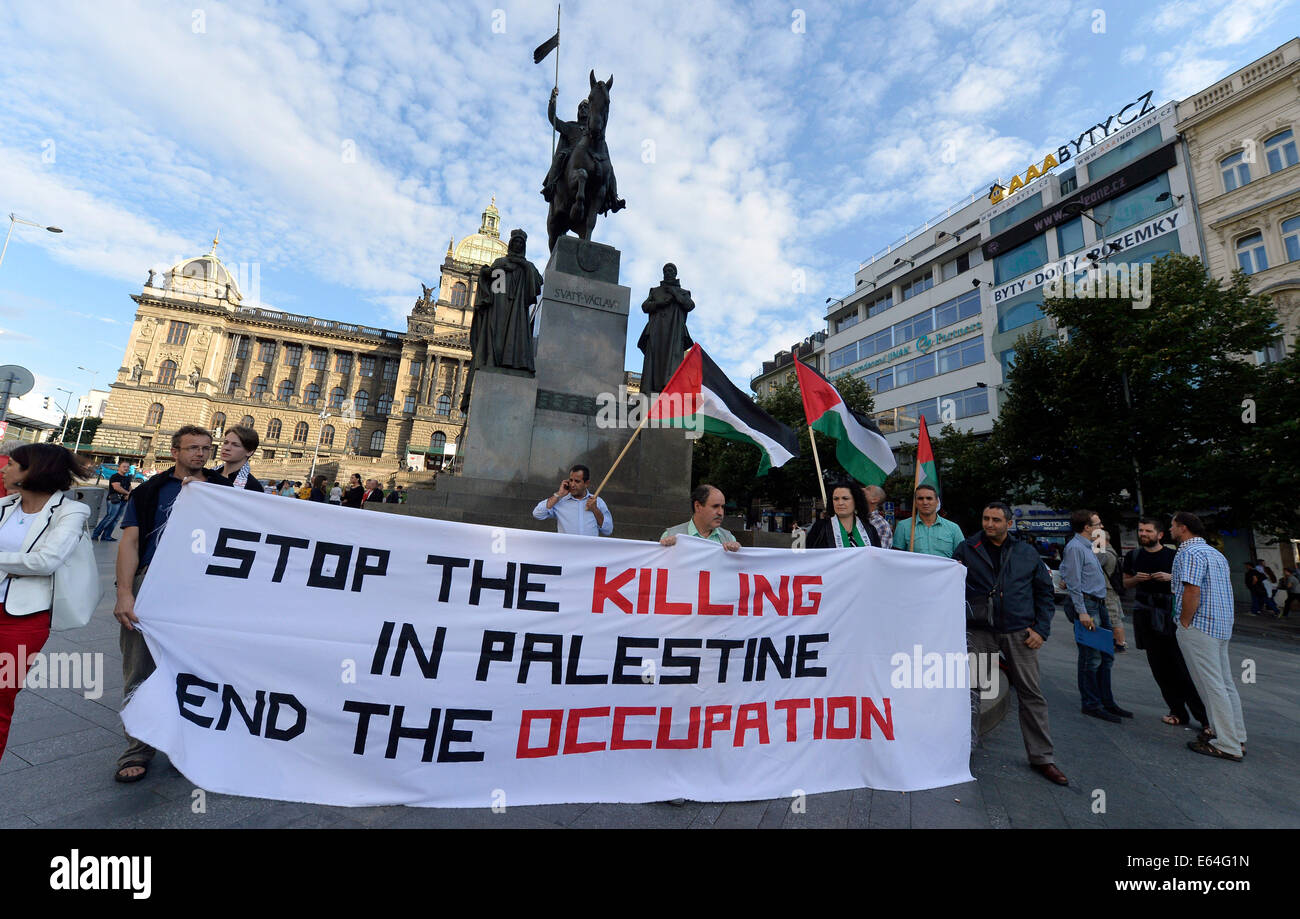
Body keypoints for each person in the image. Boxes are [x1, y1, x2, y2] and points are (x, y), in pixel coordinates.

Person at [112, 425, 229, 783]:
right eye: (192, 448)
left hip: (204, 590)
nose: (200, 454)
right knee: (140, 668)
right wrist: (124, 593)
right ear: (175, 452)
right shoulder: (149, 492)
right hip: (153, 585)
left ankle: (189, 744)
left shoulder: (225, 492)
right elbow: (129, 544)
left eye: (207, 448)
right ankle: (138, 748)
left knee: (199, 670)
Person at [953, 502, 1065, 785]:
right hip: (980, 630)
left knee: (1031, 693)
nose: (989, 524)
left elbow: (1044, 593)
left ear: (1008, 523)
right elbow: (951, 585)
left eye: (995, 520)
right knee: (971, 691)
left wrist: (1041, 629)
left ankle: (1042, 757)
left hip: (1019, 631)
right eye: (985, 518)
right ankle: (962, 750)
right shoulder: (967, 548)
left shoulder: (1026, 552)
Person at [0, 444, 93, 761]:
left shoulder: (71, 512)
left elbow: (46, 561)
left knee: (2, 697)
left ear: (32, 471)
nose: (4, 469)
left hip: (23, 620)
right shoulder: (5, 505)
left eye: (12, 464)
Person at [1170, 512, 1246, 761]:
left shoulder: (1189, 553)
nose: (1171, 530)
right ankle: (1235, 736)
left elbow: (1192, 589)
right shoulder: (1215, 553)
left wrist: (1184, 620)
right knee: (1224, 684)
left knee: (1210, 685)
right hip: (1221, 625)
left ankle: (1226, 743)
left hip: (1200, 626)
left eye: (1172, 526)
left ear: (1182, 528)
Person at [1122, 517, 1207, 729]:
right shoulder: (1133, 556)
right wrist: (1136, 580)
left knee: (1181, 667)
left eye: (1148, 531)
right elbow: (1124, 583)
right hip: (1145, 615)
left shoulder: (1175, 555)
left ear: (1160, 535)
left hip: (1170, 614)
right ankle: (1177, 711)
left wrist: (1170, 578)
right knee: (1159, 668)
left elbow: (1189, 584)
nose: (1143, 534)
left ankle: (1204, 718)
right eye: (1141, 530)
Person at [1059, 509, 1132, 723]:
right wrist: (1082, 612)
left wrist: (1099, 540)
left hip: (1099, 604)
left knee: (1106, 655)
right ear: (1087, 527)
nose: (1101, 527)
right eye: (1098, 524)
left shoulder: (1089, 546)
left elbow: (1096, 562)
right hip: (1088, 605)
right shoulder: (1075, 548)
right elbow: (1073, 582)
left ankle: (1107, 701)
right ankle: (1091, 704)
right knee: (1091, 657)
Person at [532, 465, 613, 537]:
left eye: (577, 481)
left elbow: (608, 530)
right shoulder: (560, 501)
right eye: (571, 480)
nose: (572, 485)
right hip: (567, 551)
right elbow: (537, 514)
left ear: (586, 483)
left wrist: (595, 510)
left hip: (589, 552)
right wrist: (559, 494)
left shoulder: (597, 502)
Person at [660, 485, 740, 551]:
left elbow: (738, 568)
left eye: (722, 507)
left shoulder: (729, 538)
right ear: (697, 506)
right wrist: (668, 550)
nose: (721, 512)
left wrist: (738, 554)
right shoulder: (670, 535)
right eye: (715, 506)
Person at [892, 484, 963, 558]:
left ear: (937, 502)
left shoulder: (953, 528)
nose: (925, 502)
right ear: (915, 503)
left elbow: (963, 556)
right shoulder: (903, 526)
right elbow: (897, 558)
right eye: (920, 498)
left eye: (929, 498)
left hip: (945, 570)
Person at [1090, 512, 1127, 651]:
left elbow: (1092, 566)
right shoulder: (1111, 551)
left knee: (1113, 618)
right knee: (1116, 616)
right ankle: (1119, 641)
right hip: (1111, 588)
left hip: (1107, 589)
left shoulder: (1104, 553)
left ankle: (1119, 643)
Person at [806, 480, 881, 548]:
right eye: (836, 499)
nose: (840, 503)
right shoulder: (820, 528)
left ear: (856, 501)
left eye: (845, 498)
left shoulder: (870, 529)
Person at [212, 425, 265, 492]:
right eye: (225, 443)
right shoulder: (207, 474)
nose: (226, 448)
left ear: (249, 452)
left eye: (235, 445)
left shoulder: (253, 487)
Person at [92, 459, 134, 541]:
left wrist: (129, 493)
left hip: (123, 501)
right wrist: (128, 494)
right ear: (119, 467)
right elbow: (117, 487)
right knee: (110, 517)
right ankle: (95, 534)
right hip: (114, 500)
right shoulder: (115, 476)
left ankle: (106, 536)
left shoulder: (127, 477)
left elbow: (130, 487)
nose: (126, 468)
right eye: (124, 466)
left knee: (116, 519)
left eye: (127, 467)